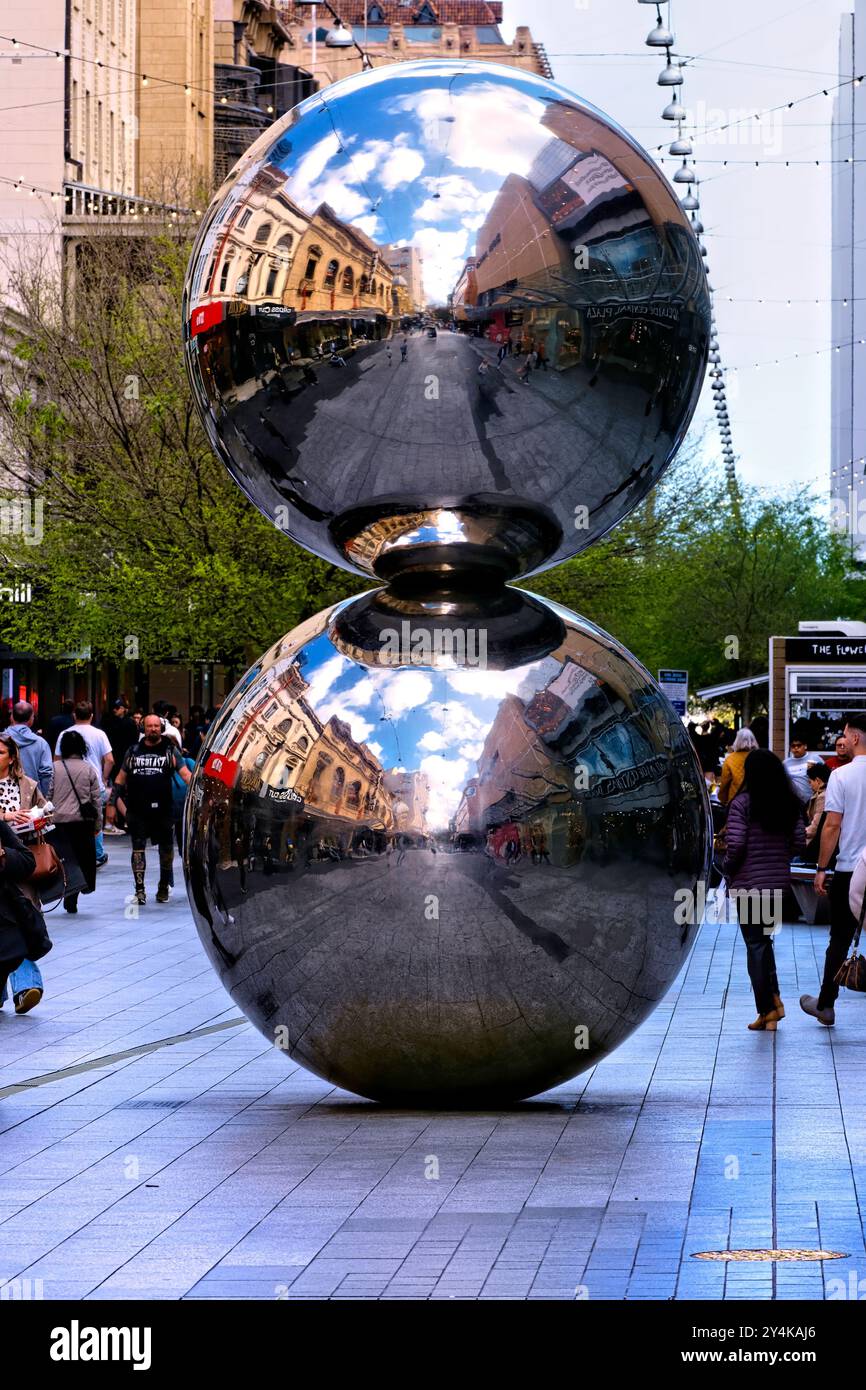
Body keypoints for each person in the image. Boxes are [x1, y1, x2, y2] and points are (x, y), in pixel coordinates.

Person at [723, 749, 805, 1031]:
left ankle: (768, 1010)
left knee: (756, 946)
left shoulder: (742, 804)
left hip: (749, 885)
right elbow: (798, 843)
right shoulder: (789, 803)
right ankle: (775, 1003)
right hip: (777, 885)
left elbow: (736, 846)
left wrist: (727, 869)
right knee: (765, 943)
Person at [801, 714, 866, 1027]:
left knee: (839, 937)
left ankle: (826, 1004)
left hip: (851, 868)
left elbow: (833, 825)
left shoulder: (842, 776)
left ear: (853, 737)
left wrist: (821, 867)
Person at [112, 714, 192, 905]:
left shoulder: (170, 750)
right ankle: (140, 890)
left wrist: (201, 790)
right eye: (149, 726)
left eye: (156, 726)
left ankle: (164, 885)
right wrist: (112, 804)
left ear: (161, 727)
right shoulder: (133, 751)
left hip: (164, 809)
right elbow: (120, 780)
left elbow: (186, 775)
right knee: (138, 849)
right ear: (143, 728)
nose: (153, 729)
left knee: (166, 850)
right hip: (138, 810)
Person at [0, 733, 49, 1013]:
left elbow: (43, 811)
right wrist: (6, 817)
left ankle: (26, 987)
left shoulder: (27, 785)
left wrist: (37, 817)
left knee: (23, 920)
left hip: (20, 861)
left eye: (0, 752)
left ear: (12, 757)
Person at [51, 729, 102, 914]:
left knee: (65, 860)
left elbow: (48, 795)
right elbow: (96, 800)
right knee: (82, 860)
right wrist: (98, 825)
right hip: (82, 822)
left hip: (60, 822)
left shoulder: (56, 768)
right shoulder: (88, 769)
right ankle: (75, 895)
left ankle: (68, 892)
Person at [72, 701, 114, 867]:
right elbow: (109, 760)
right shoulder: (99, 734)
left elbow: (57, 760)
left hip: (72, 781)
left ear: (74, 715)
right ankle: (97, 853)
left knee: (73, 816)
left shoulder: (66, 734)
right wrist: (104, 777)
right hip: (94, 781)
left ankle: (75, 851)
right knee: (95, 815)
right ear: (91, 715)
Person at [4, 701, 53, 796]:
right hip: (32, 798)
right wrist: (42, 798)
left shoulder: (2, 741)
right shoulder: (41, 743)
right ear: (31, 719)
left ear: (11, 717)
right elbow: (46, 774)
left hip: (4, 799)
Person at [717, 727, 758, 806]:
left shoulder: (730, 759)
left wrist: (723, 800)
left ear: (737, 740)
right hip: (756, 801)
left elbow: (724, 784)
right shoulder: (759, 756)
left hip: (735, 802)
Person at [783, 732, 823, 805]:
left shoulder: (815, 758)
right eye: (793, 746)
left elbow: (825, 777)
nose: (796, 748)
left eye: (799, 745)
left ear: (805, 746)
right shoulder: (785, 763)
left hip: (812, 801)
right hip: (793, 803)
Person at [804, 763, 831, 849]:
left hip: (817, 844)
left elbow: (816, 826)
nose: (809, 785)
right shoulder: (821, 794)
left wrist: (799, 834)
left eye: (810, 781)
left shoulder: (823, 797)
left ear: (818, 781)